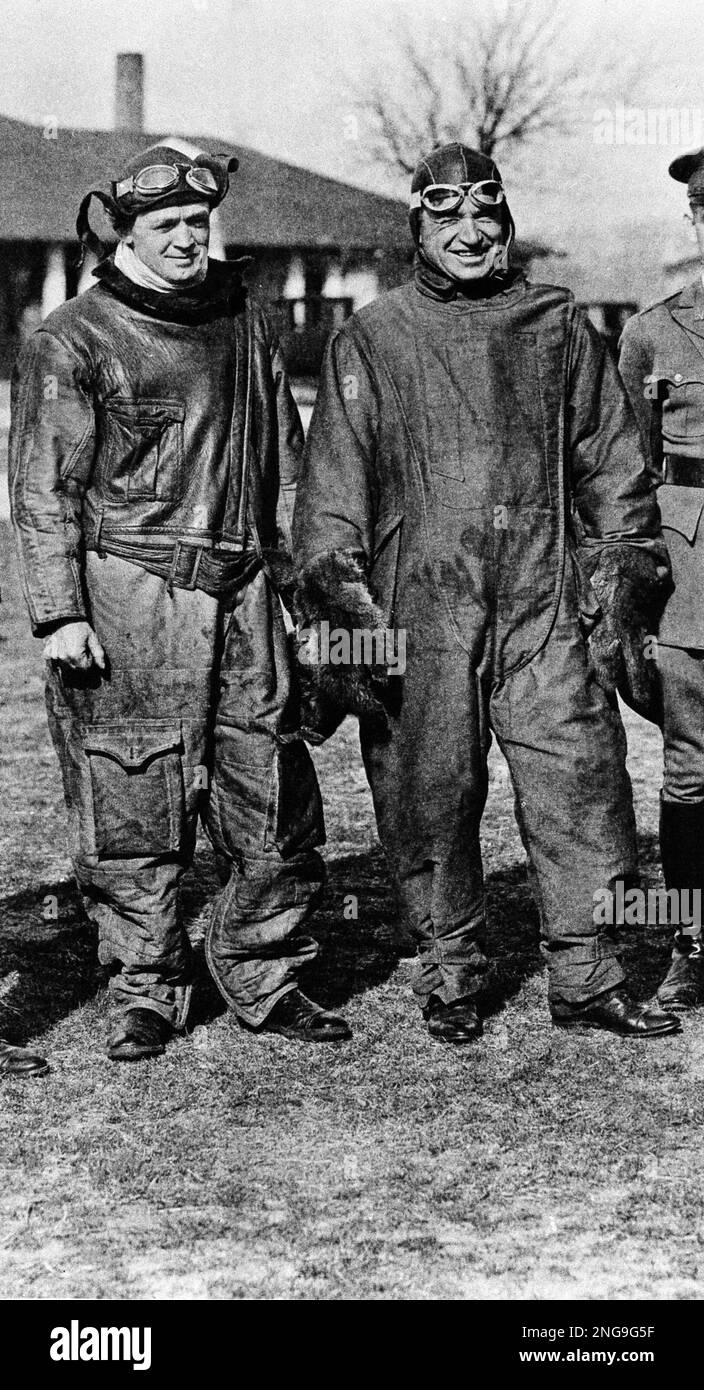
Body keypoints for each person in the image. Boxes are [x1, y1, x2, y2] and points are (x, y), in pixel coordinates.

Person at [293, 141, 679, 1043]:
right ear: (418, 230)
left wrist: (617, 575)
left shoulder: (558, 323)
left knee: (582, 781)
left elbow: (612, 465)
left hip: (543, 603)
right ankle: (453, 971)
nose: (470, 233)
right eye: (447, 217)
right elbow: (331, 496)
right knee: (430, 789)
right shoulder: (373, 338)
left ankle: (590, 975)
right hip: (420, 605)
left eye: (486, 215)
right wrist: (347, 622)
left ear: (503, 222)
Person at [9, 142, 350, 1061]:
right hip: (130, 595)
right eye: (166, 227)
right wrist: (61, 611)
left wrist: (298, 584)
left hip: (242, 594)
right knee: (136, 803)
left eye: (198, 224)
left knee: (270, 790)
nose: (187, 241)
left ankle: (265, 970)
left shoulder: (243, 318)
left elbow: (281, 458)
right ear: (126, 232)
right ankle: (148, 988)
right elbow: (43, 492)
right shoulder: (71, 339)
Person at [619, 145, 704, 1011]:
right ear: (696, 220)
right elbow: (629, 471)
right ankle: (691, 939)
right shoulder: (652, 333)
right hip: (693, 576)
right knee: (688, 773)